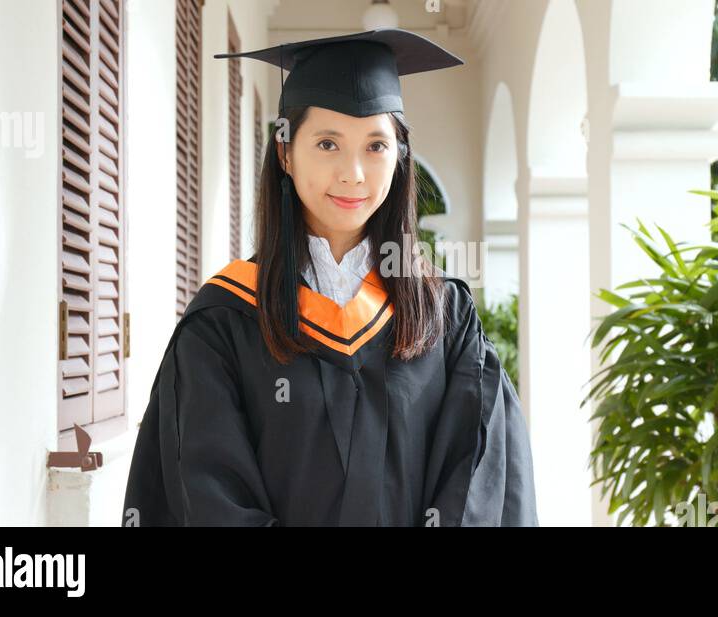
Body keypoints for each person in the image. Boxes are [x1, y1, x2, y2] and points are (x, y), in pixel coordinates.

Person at [122, 28, 538, 526]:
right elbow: (206, 490)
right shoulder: (224, 320)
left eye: (377, 146)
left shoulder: (444, 316)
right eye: (326, 143)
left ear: (400, 157)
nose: (354, 173)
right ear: (285, 152)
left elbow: (477, 478)